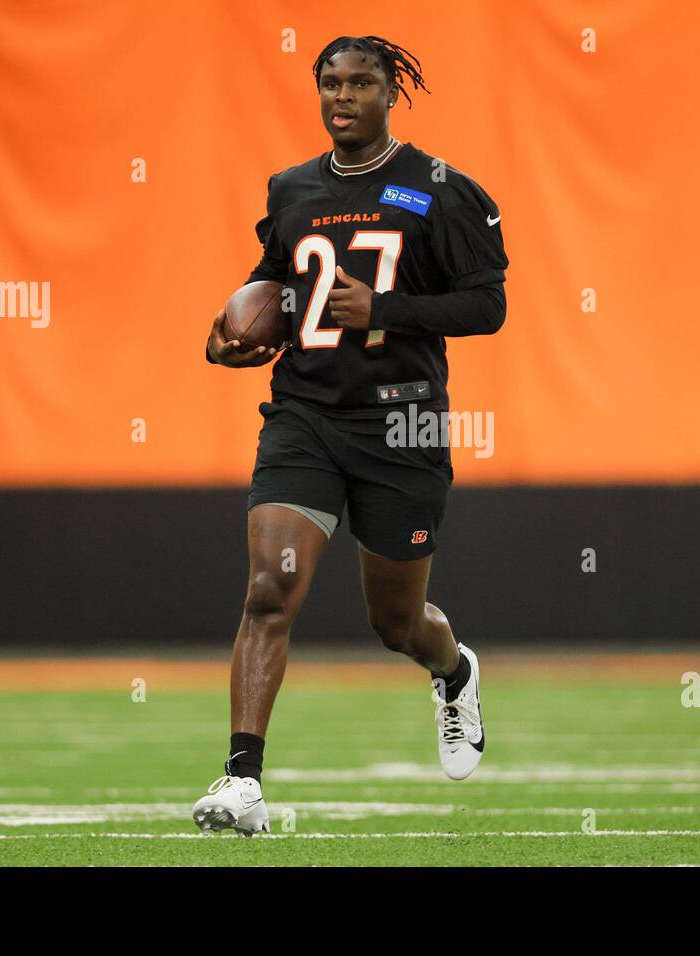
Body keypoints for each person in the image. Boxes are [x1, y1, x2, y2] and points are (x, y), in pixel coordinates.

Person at [193, 35, 509, 836]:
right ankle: (241, 782)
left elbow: (487, 306)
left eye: (361, 82)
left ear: (391, 91)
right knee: (269, 589)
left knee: (395, 625)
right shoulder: (292, 189)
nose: (343, 96)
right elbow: (270, 292)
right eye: (330, 82)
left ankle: (453, 669)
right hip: (304, 414)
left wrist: (387, 310)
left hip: (400, 422)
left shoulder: (442, 189)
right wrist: (226, 340)